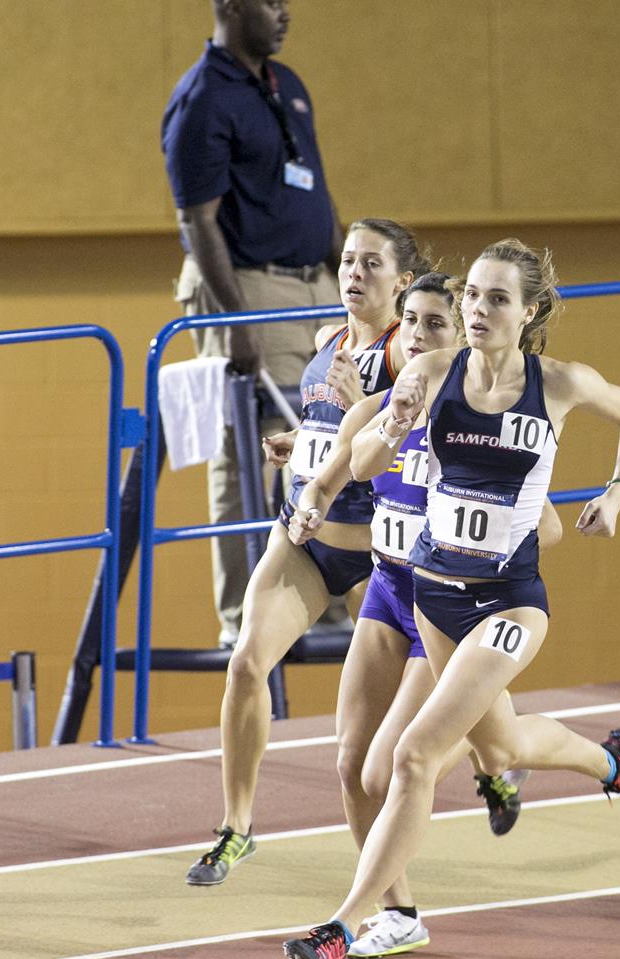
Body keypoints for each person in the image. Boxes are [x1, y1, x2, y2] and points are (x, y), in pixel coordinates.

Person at [281, 239, 620, 959]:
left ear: (528, 311)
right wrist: (392, 428)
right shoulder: (427, 372)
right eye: (472, 297)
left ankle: (346, 922)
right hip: (433, 593)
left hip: (511, 603)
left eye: (495, 298)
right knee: (504, 747)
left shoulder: (559, 382)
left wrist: (617, 491)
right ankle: (613, 762)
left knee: (413, 754)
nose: (478, 309)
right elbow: (359, 464)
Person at [289, 273, 557, 959]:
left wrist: (495, 542)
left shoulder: (463, 414)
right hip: (386, 591)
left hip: (443, 603)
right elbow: (327, 480)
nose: (417, 333)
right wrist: (308, 507)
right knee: (351, 764)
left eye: (436, 323)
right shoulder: (375, 412)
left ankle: (528, 753)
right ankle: (398, 909)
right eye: (409, 320)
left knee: (395, 768)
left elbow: (545, 523)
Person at [185, 219, 426, 886]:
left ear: (401, 281)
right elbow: (330, 432)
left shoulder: (409, 356)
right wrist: (302, 447)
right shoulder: (326, 341)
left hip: (382, 553)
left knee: (426, 716)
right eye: (347, 260)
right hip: (308, 540)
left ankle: (518, 760)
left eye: (371, 263)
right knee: (245, 663)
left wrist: (369, 411)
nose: (353, 272)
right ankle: (237, 827)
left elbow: (417, 454)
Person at [162, 0, 341, 645]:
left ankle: (326, 597)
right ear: (232, 7)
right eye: (270, 2)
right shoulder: (203, 97)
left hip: (313, 286)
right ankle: (251, 617)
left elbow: (317, 191)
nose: (285, 13)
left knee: (332, 442)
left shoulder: (285, 85)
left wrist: (346, 279)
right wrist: (237, 318)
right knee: (258, 452)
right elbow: (197, 221)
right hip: (251, 288)